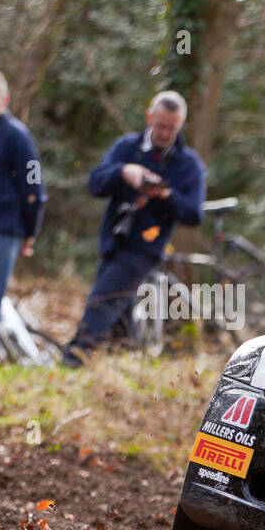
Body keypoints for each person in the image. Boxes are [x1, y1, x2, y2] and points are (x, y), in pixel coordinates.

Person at [64, 91, 206, 366]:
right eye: (160, 125)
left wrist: (165, 195)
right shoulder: (126, 148)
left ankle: (75, 358)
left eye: (171, 128)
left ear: (181, 125)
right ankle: (123, 365)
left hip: (147, 245)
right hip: (114, 240)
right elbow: (95, 183)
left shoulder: (188, 165)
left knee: (103, 301)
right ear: (149, 117)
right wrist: (124, 173)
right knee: (120, 314)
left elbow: (194, 214)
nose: (165, 133)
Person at [0, 69, 45, 362]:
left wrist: (30, 229)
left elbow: (33, 185)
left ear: (4, 99)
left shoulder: (17, 136)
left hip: (4, 227)